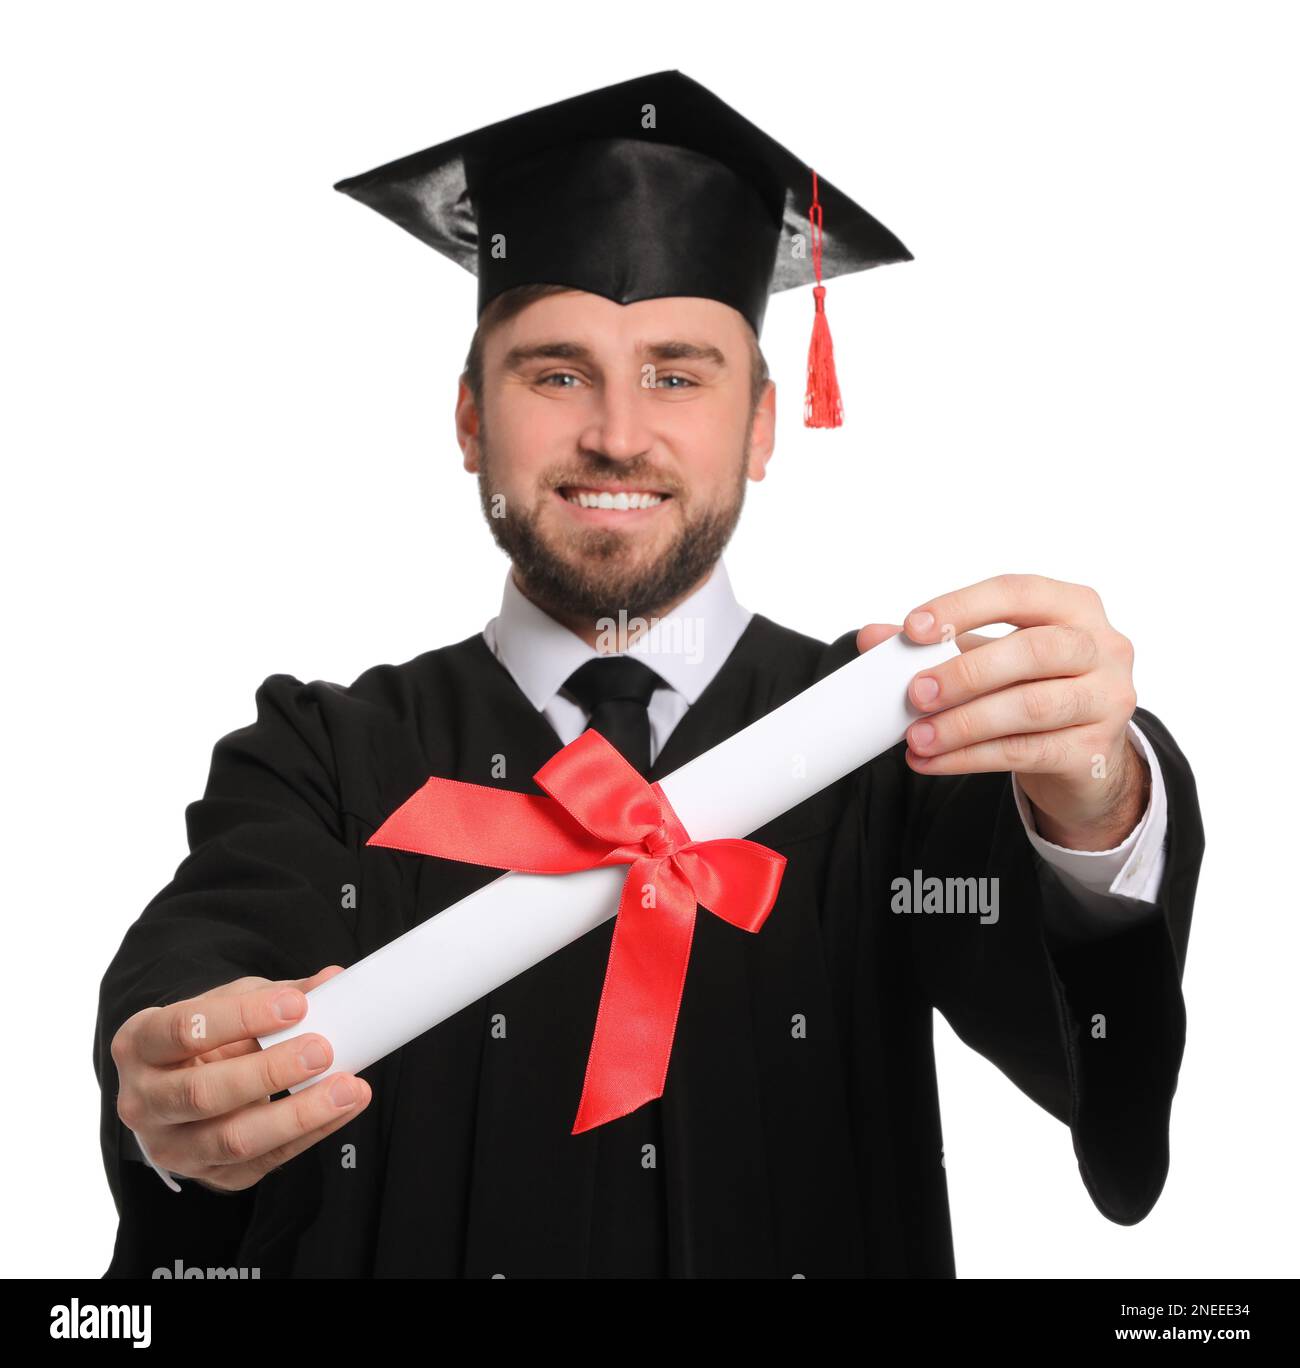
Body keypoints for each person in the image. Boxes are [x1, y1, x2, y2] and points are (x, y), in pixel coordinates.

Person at [95, 70, 1202, 1278]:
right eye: (556, 372)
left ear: (762, 425)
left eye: (678, 373)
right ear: (471, 417)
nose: (618, 433)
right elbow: (210, 951)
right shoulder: (326, 757)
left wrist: (1098, 808)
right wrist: (183, 1084)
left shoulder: (884, 750)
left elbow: (1069, 1003)